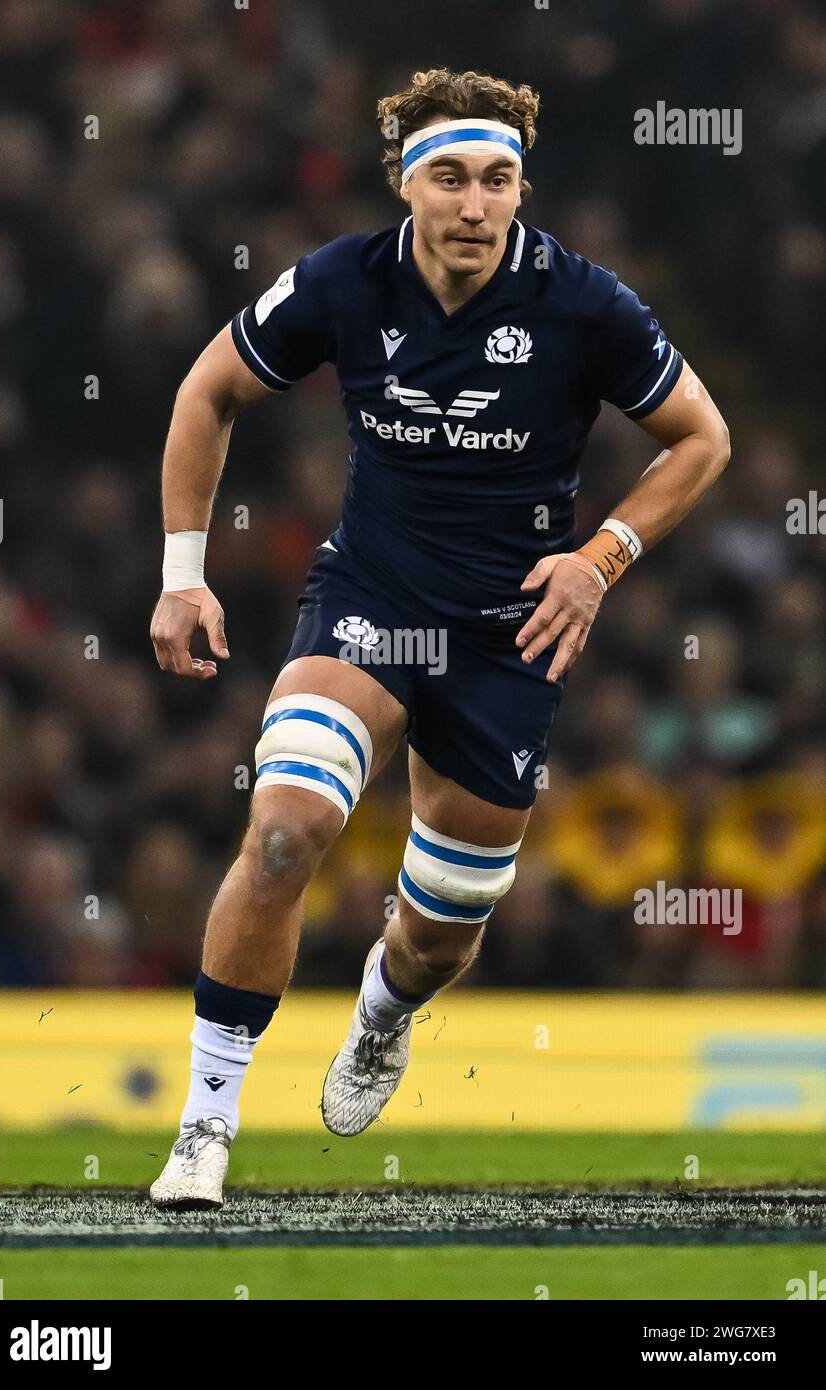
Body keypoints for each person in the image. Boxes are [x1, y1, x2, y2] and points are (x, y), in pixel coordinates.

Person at [148, 67, 730, 1209]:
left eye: (498, 180)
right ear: (404, 185)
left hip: (511, 633)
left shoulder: (582, 302)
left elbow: (700, 439)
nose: (475, 204)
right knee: (284, 830)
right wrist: (182, 577)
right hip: (370, 595)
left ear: (521, 189)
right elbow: (206, 389)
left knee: (435, 939)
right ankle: (204, 1127)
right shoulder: (341, 280)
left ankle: (381, 1012)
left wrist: (597, 557)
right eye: (450, 177)